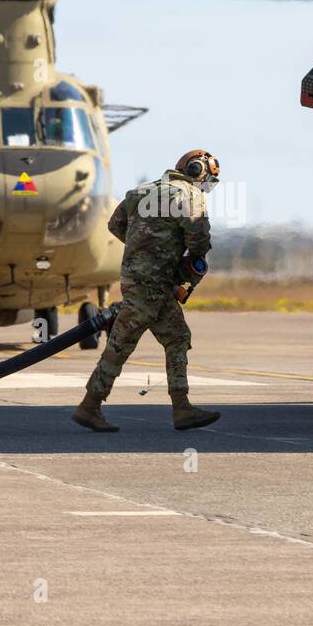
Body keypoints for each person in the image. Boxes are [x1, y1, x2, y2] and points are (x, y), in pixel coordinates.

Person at [74, 149, 223, 433]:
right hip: (154, 286)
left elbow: (115, 225)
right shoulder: (188, 195)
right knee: (147, 340)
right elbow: (199, 239)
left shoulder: (138, 193)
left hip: (134, 281)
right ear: (196, 172)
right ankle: (177, 409)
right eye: (207, 180)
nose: (205, 187)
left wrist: (141, 248)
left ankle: (93, 406)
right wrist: (185, 261)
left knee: (142, 340)